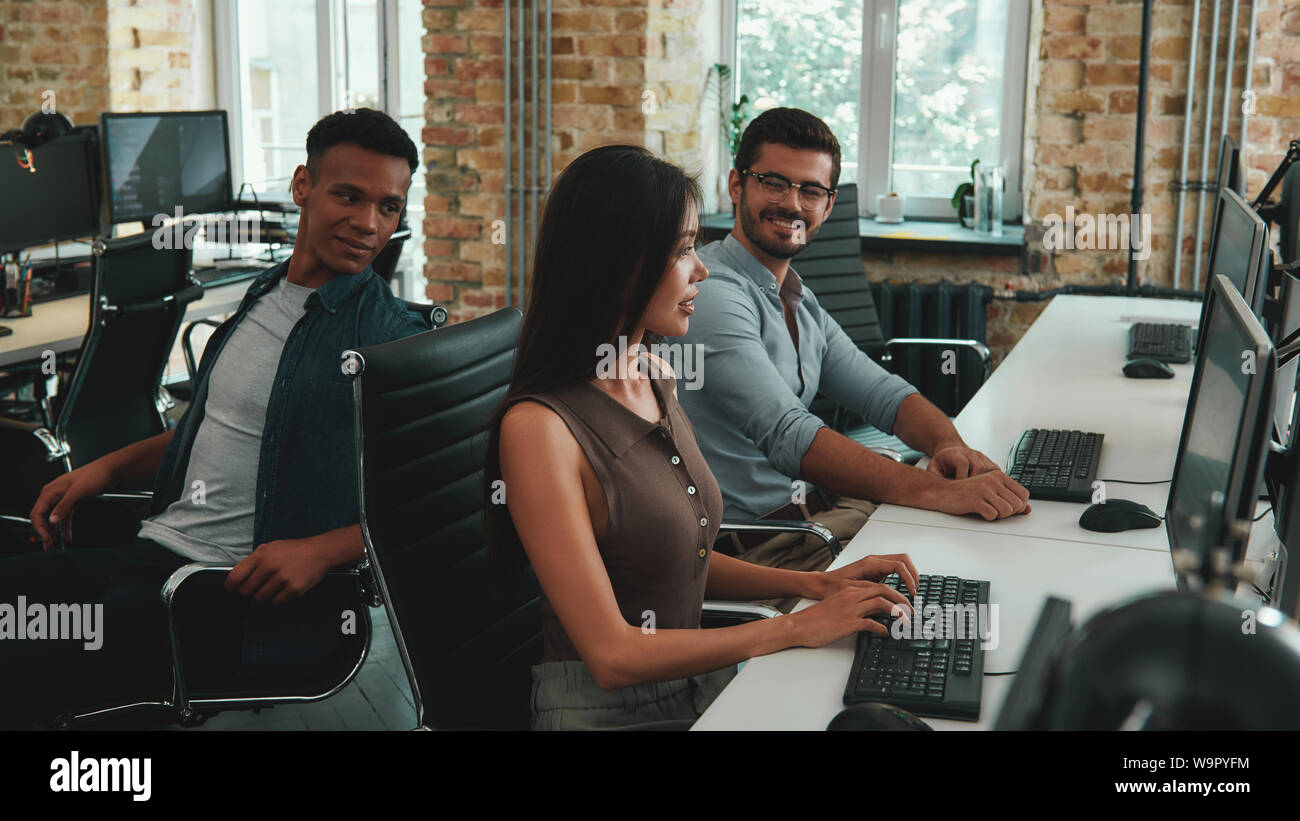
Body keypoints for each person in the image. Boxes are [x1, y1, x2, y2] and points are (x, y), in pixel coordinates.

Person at [0, 108, 429, 727]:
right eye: (349, 196)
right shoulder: (263, 296)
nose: (368, 224)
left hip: (223, 597)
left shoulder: (389, 339)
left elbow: (447, 500)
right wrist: (102, 468)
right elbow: (214, 425)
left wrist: (324, 551)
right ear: (302, 186)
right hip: (151, 558)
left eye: (389, 207)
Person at [486, 145, 919, 731]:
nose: (701, 270)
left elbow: (681, 558)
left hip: (698, 688)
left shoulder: (653, 372)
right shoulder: (541, 430)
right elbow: (613, 655)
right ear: (617, 262)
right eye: (683, 249)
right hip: (611, 715)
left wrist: (818, 585)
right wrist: (791, 627)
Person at [675, 108, 1029, 586]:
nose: (792, 204)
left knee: (981, 553)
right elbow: (787, 433)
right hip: (764, 547)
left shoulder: (798, 299)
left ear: (828, 204)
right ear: (738, 186)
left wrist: (949, 445)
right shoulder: (715, 293)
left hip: (820, 518)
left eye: (810, 191)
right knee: (955, 577)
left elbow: (884, 394)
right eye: (773, 183)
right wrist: (936, 493)